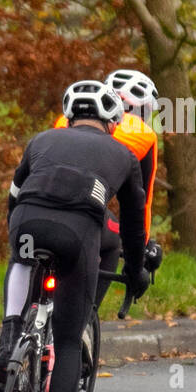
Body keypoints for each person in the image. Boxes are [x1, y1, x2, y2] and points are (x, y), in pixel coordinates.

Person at [0, 80, 149, 392]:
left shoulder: (41, 139)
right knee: (66, 341)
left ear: (69, 116)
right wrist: (136, 272)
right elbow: (133, 228)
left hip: (26, 221)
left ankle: (9, 341)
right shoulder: (124, 154)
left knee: (22, 259)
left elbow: (12, 198)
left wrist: (17, 231)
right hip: (76, 234)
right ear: (113, 122)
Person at [53, 68, 164, 303]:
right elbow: (141, 203)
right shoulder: (144, 135)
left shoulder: (63, 120)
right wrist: (141, 251)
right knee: (110, 238)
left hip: (38, 203)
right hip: (85, 212)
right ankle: (87, 313)